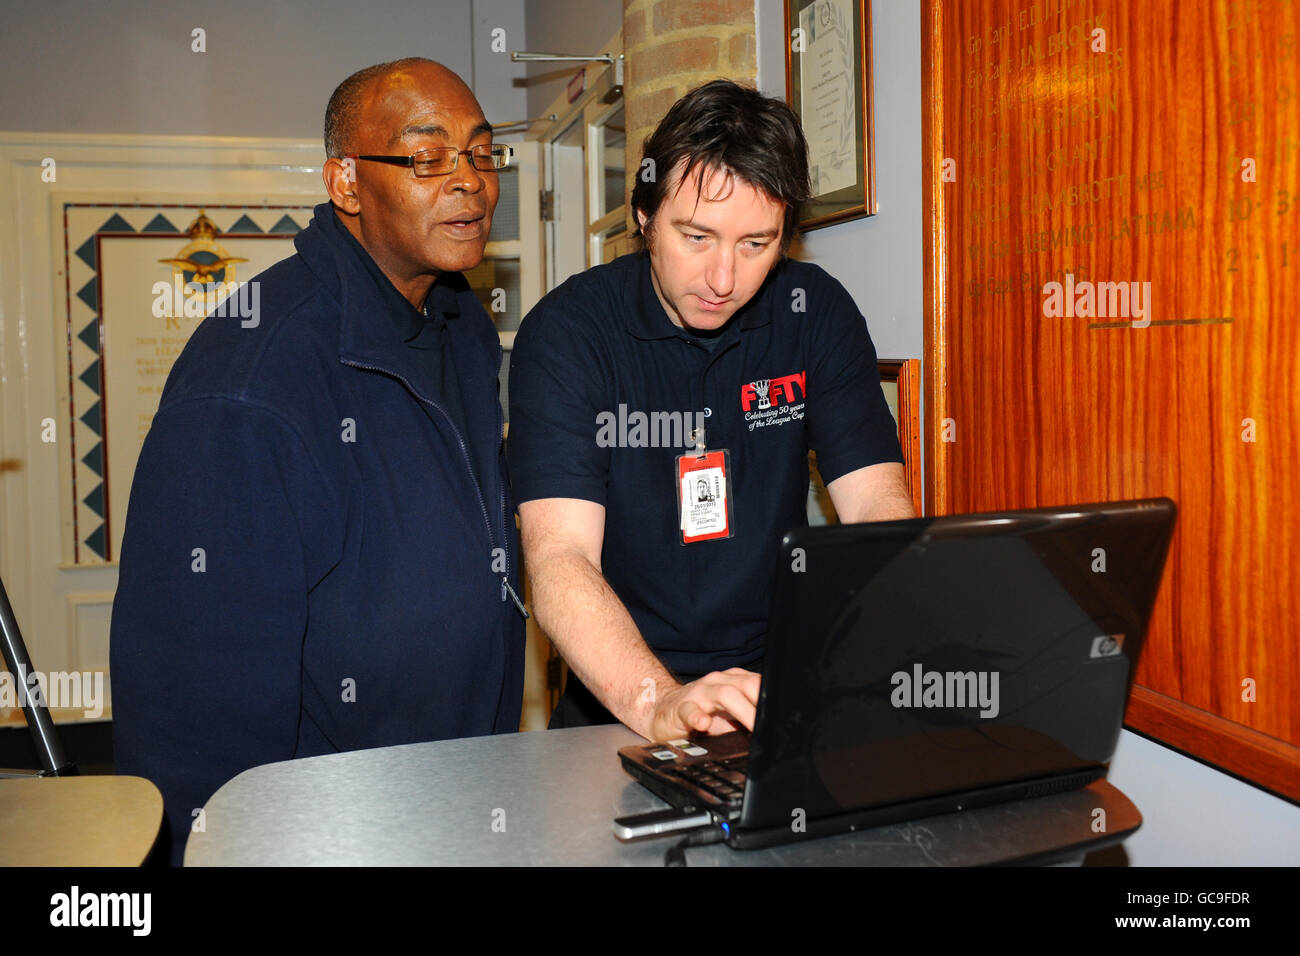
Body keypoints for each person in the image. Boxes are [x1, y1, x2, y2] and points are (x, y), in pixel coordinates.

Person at [110, 58, 526, 865]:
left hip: (463, 803)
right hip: (326, 835)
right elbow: (191, 714)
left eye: (481, 153)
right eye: (426, 157)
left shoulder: (462, 325)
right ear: (344, 182)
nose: (469, 182)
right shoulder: (250, 380)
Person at [507, 80, 915, 743]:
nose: (723, 278)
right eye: (696, 237)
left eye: (756, 244)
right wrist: (661, 702)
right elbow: (560, 559)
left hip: (780, 680)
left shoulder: (815, 312)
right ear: (644, 216)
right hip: (622, 691)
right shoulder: (568, 333)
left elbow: (876, 507)